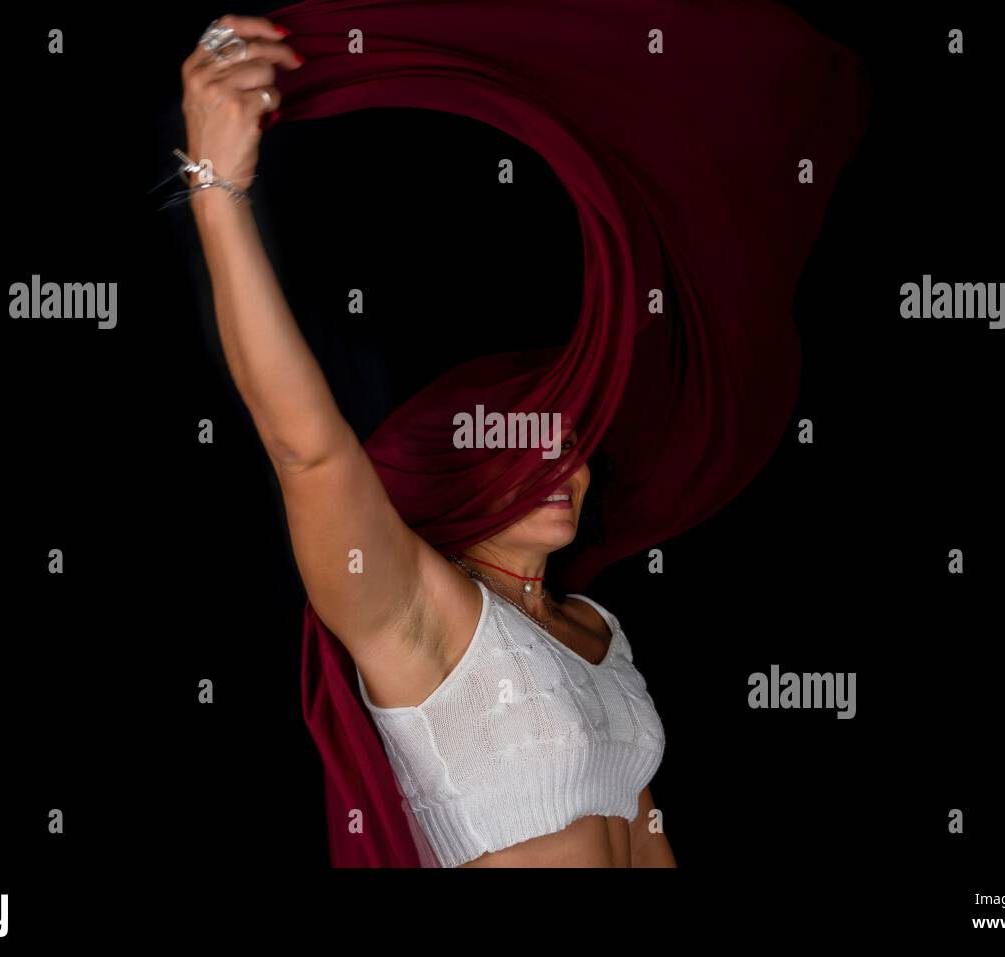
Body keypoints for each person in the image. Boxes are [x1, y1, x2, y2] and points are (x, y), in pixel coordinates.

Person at [179, 13, 674, 867]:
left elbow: (648, 832)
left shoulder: (596, 626)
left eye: (571, 438)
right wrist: (215, 190)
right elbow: (309, 450)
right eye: (525, 441)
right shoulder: (418, 613)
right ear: (466, 460)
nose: (561, 462)